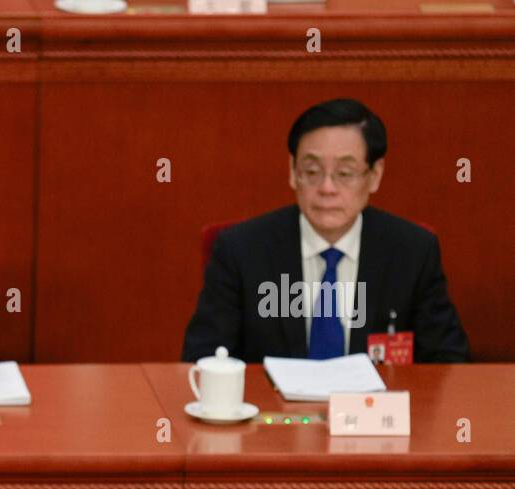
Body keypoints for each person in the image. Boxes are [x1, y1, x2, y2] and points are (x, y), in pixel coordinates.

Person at [182, 98, 470, 364]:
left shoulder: (412, 252)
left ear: (375, 175)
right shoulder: (241, 250)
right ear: (292, 172)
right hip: (273, 415)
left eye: (344, 174)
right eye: (311, 171)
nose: (327, 188)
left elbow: (448, 364)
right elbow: (203, 359)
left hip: (373, 415)